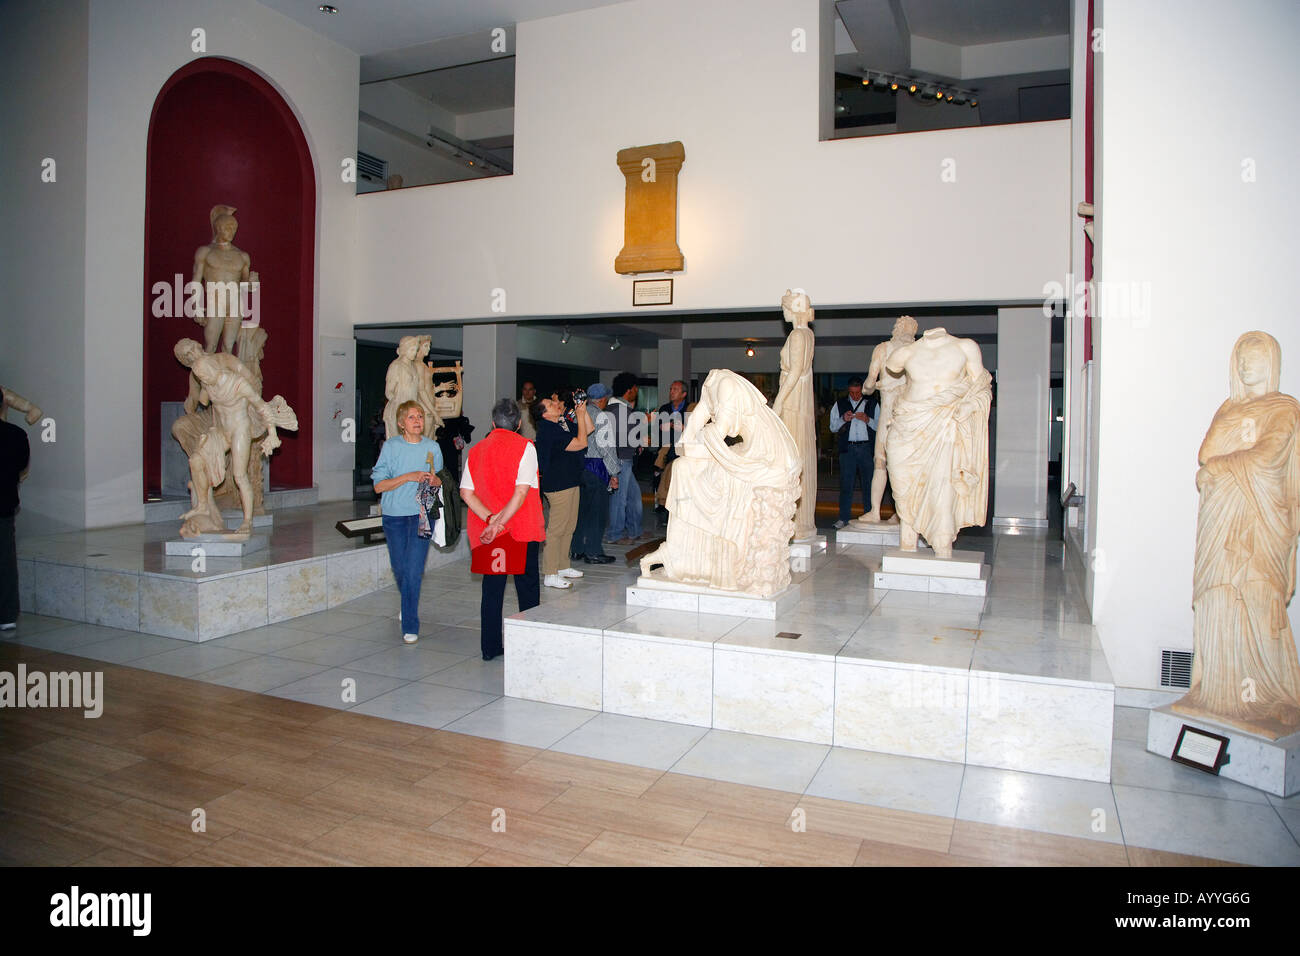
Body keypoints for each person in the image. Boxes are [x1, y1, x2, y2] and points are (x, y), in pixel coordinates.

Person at [1172, 331, 1300, 738]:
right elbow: (1206, 452)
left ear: (1271, 363)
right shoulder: (1228, 406)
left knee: (1259, 600)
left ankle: (1267, 696)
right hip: (1221, 519)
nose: (1247, 366)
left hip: (1260, 522)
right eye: (1242, 358)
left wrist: (1222, 467)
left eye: (1256, 358)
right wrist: (1223, 462)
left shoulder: (1284, 410)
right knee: (1219, 598)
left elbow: (1268, 457)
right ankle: (1217, 692)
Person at [640, 370, 800, 596]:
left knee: (692, 471)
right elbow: (695, 426)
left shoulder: (724, 386)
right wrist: (688, 443)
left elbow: (717, 432)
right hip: (752, 450)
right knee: (683, 467)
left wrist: (697, 442)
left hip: (766, 455)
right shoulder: (712, 386)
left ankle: (707, 551)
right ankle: (688, 554)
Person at [885, 328, 992, 558]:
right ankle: (907, 542)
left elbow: (982, 386)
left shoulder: (965, 346)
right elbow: (891, 366)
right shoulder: (907, 352)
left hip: (944, 422)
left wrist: (970, 406)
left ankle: (942, 545)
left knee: (941, 486)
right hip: (906, 424)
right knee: (902, 486)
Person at [460, 398, 544, 661]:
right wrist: (501, 522)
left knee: (492, 588)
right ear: (519, 424)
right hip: (520, 528)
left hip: (488, 531)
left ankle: (490, 647)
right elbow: (520, 493)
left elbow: (466, 492)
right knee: (526, 585)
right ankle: (529, 645)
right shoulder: (526, 447)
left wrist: (490, 519)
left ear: (492, 423)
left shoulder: (477, 450)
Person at [371, 400, 444, 645]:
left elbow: (440, 480)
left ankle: (410, 624)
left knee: (413, 570)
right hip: (394, 517)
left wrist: (435, 482)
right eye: (412, 417)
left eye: (420, 416)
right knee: (400, 568)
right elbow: (379, 485)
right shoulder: (391, 447)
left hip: (423, 515)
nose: (417, 421)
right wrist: (408, 477)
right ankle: (407, 603)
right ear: (402, 423)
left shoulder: (433, 447)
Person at [856, 315, 918, 524]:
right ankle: (901, 514)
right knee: (906, 463)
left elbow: (869, 385)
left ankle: (875, 511)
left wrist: (874, 386)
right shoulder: (917, 351)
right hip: (911, 414)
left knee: (880, 461)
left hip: (891, 409)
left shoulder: (883, 349)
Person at [771, 291, 817, 539]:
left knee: (791, 454)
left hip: (793, 401)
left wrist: (779, 400)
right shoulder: (808, 334)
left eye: (785, 308)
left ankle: (797, 520)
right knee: (796, 452)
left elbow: (795, 370)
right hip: (800, 398)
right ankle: (802, 519)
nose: (783, 313)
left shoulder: (798, 335)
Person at [535, 389, 591, 588]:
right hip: (558, 484)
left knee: (569, 527)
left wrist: (582, 412)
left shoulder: (559, 424)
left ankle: (562, 565)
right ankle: (550, 573)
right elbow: (582, 442)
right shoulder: (548, 430)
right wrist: (581, 416)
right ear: (545, 414)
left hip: (571, 480)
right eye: (551, 404)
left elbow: (588, 430)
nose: (555, 403)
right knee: (556, 529)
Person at [192, 205, 255, 355]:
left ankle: (227, 378)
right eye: (227, 227)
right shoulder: (206, 252)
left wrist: (253, 283)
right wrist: (196, 306)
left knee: (229, 347)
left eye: (234, 228)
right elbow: (196, 281)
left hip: (235, 304)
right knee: (210, 347)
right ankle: (205, 377)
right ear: (218, 228)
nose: (231, 231)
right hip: (215, 303)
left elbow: (246, 286)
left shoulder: (242, 256)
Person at [572, 382, 618, 564]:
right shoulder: (601, 417)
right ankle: (593, 551)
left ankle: (576, 549)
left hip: (579, 466)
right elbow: (606, 448)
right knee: (597, 513)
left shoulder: (577, 414)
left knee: (580, 511)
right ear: (603, 399)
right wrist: (614, 473)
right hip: (597, 467)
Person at [1, 388, 32, 630]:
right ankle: (7, 614)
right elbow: (21, 465)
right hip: (4, 505)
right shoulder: (16, 434)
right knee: (5, 562)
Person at [828, 377, 876, 528]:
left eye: (857, 393)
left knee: (869, 485)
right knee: (846, 485)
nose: (855, 396)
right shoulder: (840, 404)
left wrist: (868, 420)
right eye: (852, 393)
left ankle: (870, 515)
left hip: (866, 448)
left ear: (862, 390)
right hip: (847, 449)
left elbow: (882, 427)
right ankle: (843, 518)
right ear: (848, 391)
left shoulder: (872, 404)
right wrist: (843, 418)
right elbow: (832, 427)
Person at [605, 372, 647, 544]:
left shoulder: (616, 408)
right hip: (621, 459)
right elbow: (622, 438)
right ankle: (615, 534)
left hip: (624, 458)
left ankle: (634, 531)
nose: (636, 391)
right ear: (629, 390)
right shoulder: (619, 410)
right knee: (619, 499)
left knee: (634, 497)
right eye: (635, 388)